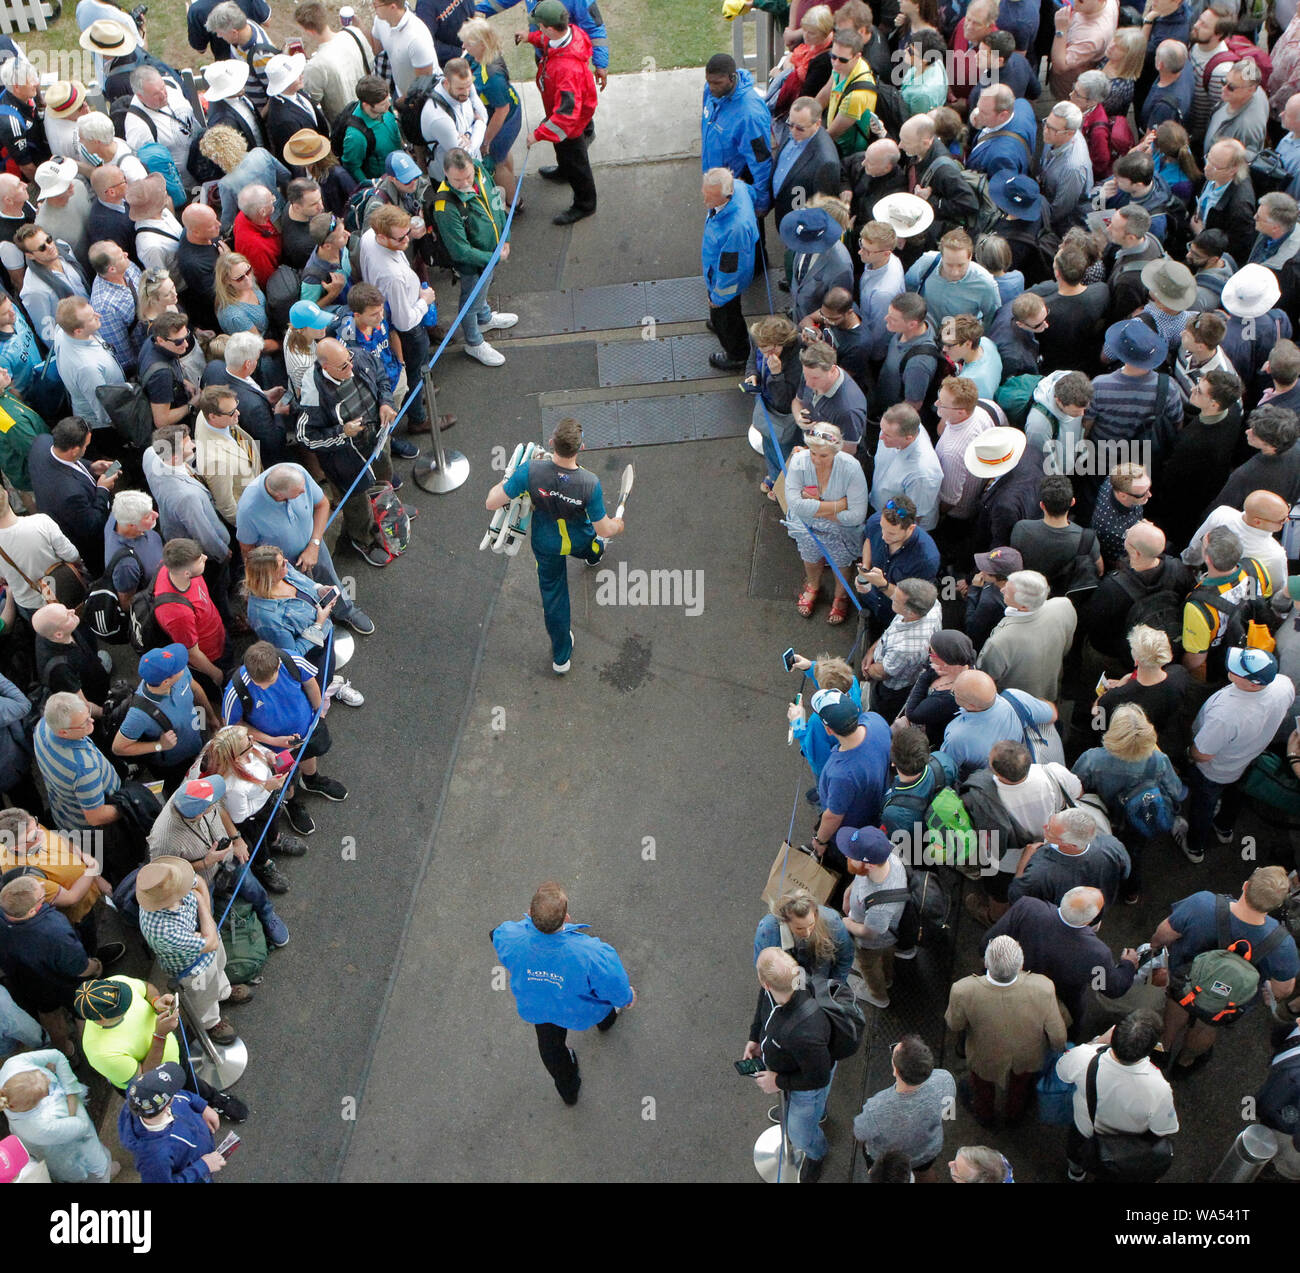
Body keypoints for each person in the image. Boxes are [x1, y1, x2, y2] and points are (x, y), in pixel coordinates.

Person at [484, 417, 623, 674]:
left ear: (551, 443)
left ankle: (561, 658)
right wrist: (618, 525)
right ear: (582, 448)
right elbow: (604, 528)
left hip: (546, 543)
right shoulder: (590, 483)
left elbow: (492, 503)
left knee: (554, 598)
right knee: (593, 546)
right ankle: (594, 555)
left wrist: (506, 479)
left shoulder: (529, 470)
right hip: (580, 537)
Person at [492, 880, 635, 1106]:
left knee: (550, 1048)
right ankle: (606, 1024)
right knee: (603, 1005)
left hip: (540, 1007)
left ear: (529, 913)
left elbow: (496, 935)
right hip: (582, 1009)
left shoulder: (510, 936)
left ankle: (569, 1091)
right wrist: (627, 998)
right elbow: (612, 985)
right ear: (567, 918)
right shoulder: (592, 953)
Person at [296, 336, 402, 567]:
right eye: (344, 366)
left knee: (384, 476)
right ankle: (362, 539)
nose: (351, 367)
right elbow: (305, 437)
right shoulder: (313, 392)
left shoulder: (357, 357)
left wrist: (386, 403)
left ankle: (387, 511)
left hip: (376, 440)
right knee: (357, 504)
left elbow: (381, 377)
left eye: (349, 359)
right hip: (346, 459)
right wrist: (343, 432)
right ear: (326, 367)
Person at [236, 463, 374, 636]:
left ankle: (345, 611)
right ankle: (314, 629)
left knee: (329, 577)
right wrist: (263, 579)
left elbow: (322, 504)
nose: (304, 492)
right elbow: (247, 549)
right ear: (280, 496)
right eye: (298, 492)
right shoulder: (248, 510)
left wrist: (314, 544)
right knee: (297, 599)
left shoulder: (297, 473)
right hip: (283, 565)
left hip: (314, 544)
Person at [222, 639, 344, 834]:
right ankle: (291, 802)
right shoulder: (235, 691)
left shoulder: (290, 660)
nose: (264, 688)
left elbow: (310, 683)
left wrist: (318, 713)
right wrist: (272, 741)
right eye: (258, 684)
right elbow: (234, 726)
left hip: (306, 730)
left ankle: (312, 780)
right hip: (274, 749)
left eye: (270, 681)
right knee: (284, 779)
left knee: (308, 755)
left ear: (278, 665)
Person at [983, 886, 1140, 1039]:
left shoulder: (1027, 907)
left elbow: (986, 945)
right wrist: (1128, 965)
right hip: (1062, 1003)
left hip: (1012, 985)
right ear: (1092, 921)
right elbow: (1109, 988)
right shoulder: (1097, 953)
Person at [1185, 647, 1294, 862]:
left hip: (1214, 772)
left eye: (1238, 670)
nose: (1231, 667)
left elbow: (1203, 754)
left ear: (1253, 684)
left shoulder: (1227, 715)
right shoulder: (1284, 685)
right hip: (1248, 761)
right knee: (1235, 797)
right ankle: (1224, 829)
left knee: (1202, 806)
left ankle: (1194, 847)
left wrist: (1189, 753)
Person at [945, 934, 1067, 1126]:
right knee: (1019, 1088)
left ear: (986, 962)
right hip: (1027, 1056)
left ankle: (985, 1116)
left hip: (984, 1056)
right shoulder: (1043, 986)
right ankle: (1013, 1115)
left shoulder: (962, 990)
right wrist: (1059, 1050)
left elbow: (954, 1025)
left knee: (982, 1088)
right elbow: (1058, 1035)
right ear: (1020, 964)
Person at [743, 945, 833, 1181]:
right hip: (792, 1071)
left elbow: (819, 1077)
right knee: (801, 1118)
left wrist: (778, 1082)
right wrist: (755, 1038)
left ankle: (816, 1153)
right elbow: (763, 1010)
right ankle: (816, 1114)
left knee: (800, 1135)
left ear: (766, 982)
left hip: (806, 1085)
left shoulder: (806, 1031)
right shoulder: (778, 988)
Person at [1055, 1009, 1178, 1181]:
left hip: (1085, 1128)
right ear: (1150, 1049)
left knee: (1076, 1154)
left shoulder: (1084, 1057)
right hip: (1124, 1146)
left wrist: (1097, 1042)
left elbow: (1061, 1072)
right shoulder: (1159, 1087)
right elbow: (1162, 1128)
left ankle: (1075, 1174)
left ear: (1114, 1034)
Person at [433, 148, 517, 368]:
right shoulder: (445, 205)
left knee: (482, 291)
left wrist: (505, 236)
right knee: (470, 299)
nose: (464, 183)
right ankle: (473, 341)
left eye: (467, 176)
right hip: (474, 263)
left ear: (473, 166)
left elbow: (496, 201)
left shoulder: (480, 170)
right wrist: (494, 257)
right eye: (457, 180)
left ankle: (485, 318)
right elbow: (460, 250)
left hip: (492, 252)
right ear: (445, 173)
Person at [0, 875, 100, 1056]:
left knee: (49, 1015)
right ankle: (90, 1052)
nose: (42, 885)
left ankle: (65, 1050)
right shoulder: (54, 930)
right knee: (82, 1012)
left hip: (27, 981)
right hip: (64, 982)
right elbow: (80, 968)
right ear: (31, 912)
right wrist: (95, 966)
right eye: (41, 895)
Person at [360, 204, 437, 435]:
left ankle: (420, 394)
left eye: (407, 232)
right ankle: (418, 417)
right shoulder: (392, 277)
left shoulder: (368, 236)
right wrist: (425, 300)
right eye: (401, 237)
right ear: (382, 236)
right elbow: (405, 322)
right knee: (415, 370)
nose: (407, 239)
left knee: (414, 371)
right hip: (409, 327)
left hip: (389, 315)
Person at [522, 2, 599, 226]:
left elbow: (565, 117)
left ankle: (585, 204)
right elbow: (546, 41)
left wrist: (537, 135)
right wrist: (529, 37)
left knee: (577, 161)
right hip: (560, 109)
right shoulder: (569, 34)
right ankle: (564, 171)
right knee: (564, 153)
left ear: (548, 27)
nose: (538, 30)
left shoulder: (567, 69)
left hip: (571, 127)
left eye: (539, 27)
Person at [784, 422, 868, 624]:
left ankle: (841, 595)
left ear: (836, 451)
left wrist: (813, 505)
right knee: (810, 557)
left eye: (823, 455)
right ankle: (813, 585)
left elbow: (857, 515)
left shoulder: (851, 468)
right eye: (813, 453)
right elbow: (794, 505)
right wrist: (838, 505)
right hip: (809, 527)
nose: (816, 460)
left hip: (840, 530)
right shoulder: (798, 462)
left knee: (841, 562)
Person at [0, 1048, 116, 1182]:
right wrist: (73, 1100)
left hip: (61, 1130)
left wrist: (70, 1092)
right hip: (63, 1150)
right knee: (89, 1169)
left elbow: (56, 1056)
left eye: (41, 1073)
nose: (49, 1080)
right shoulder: (39, 1127)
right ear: (32, 1105)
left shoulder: (13, 1065)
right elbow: (82, 1126)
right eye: (45, 1090)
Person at [853, 1034, 956, 1181]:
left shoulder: (876, 1107)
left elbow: (860, 1134)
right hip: (927, 1151)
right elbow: (948, 1115)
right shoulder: (945, 1079)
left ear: (896, 1071)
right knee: (926, 1175)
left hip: (889, 1162)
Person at [28, 416, 116, 575]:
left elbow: (72, 464)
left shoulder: (42, 442)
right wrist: (103, 489)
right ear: (75, 450)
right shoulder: (70, 494)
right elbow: (93, 526)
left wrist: (91, 467)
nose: (86, 449)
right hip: (85, 541)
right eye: (86, 446)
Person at [976, 569, 1077, 702]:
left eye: (1008, 591)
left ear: (1023, 607)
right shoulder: (1063, 605)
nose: (1002, 590)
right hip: (1050, 692)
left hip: (1016, 704)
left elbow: (986, 676)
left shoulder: (1000, 641)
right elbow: (1066, 647)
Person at [1008, 805, 1133, 911]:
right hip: (1097, 910)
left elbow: (1016, 895)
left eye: (1050, 831)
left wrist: (1024, 861)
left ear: (1070, 845)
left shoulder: (1039, 872)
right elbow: (1125, 872)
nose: (1044, 827)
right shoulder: (1112, 844)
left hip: (1060, 919)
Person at [117, 1064, 226, 1183]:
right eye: (172, 1090)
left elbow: (180, 1094)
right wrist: (203, 1166)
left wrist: (201, 1106)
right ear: (167, 1104)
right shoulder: (154, 1158)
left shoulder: (138, 1094)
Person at [458, 17, 522, 205]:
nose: (463, 46)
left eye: (468, 43)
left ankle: (514, 202)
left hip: (505, 120)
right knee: (504, 153)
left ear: (482, 44)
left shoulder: (491, 77)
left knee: (497, 162)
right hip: (509, 109)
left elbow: (501, 111)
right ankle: (512, 183)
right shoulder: (485, 55)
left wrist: (486, 140)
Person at [701, 52, 773, 219]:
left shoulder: (750, 115)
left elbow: (761, 162)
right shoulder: (712, 92)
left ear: (732, 78)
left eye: (717, 83)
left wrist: (761, 203)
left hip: (737, 189)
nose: (711, 87)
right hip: (716, 183)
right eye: (709, 82)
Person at [701, 167, 757, 372]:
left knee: (728, 316)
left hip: (725, 283)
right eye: (705, 194)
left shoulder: (735, 229)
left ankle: (737, 355)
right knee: (722, 314)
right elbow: (753, 194)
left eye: (710, 198)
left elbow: (729, 273)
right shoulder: (740, 188)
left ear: (727, 195)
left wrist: (717, 298)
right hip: (719, 270)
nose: (705, 202)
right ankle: (718, 321)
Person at [862, 577, 941, 720]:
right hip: (892, 662)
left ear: (911, 612)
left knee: (880, 711)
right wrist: (872, 650)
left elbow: (883, 673)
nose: (892, 598)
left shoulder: (905, 647)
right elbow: (891, 632)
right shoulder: (932, 604)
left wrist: (868, 670)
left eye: (896, 600)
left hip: (892, 689)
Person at [295, 0, 374, 121]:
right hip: (373, 108)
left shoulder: (314, 66)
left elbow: (312, 100)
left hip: (347, 126)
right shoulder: (354, 32)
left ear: (309, 31)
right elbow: (370, 64)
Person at [755, 887, 855, 984]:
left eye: (811, 925)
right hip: (785, 985)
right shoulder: (767, 930)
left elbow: (845, 956)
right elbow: (763, 968)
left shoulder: (832, 923)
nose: (807, 933)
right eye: (799, 928)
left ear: (815, 914)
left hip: (819, 982)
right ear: (784, 921)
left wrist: (834, 987)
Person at [206, 0, 282, 112]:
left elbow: (275, 94)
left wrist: (259, 119)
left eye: (220, 32)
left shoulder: (261, 56)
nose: (218, 35)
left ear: (234, 33)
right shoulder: (246, 26)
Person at [368, 0, 440, 100]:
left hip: (423, 99)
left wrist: (400, 104)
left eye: (376, 5)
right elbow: (376, 49)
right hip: (401, 92)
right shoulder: (380, 21)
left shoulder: (417, 38)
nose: (372, 8)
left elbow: (423, 85)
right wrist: (358, 26)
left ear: (392, 7)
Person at [232, 185, 282, 290]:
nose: (274, 199)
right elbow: (268, 280)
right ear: (262, 211)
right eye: (271, 200)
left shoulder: (245, 215)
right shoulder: (255, 248)